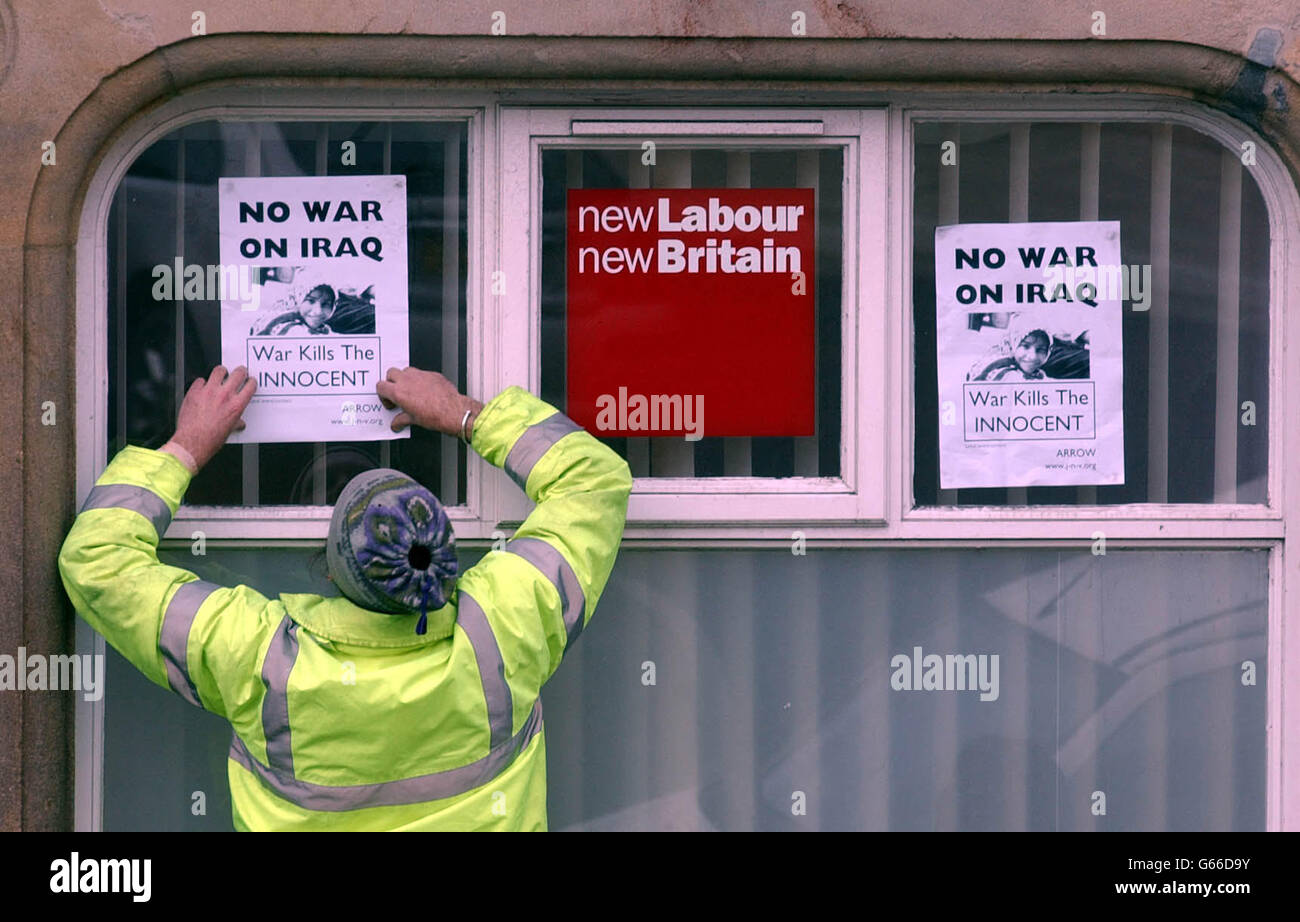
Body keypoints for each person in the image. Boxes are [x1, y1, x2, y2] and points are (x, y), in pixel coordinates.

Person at [58, 364, 634, 831]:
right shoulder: (507, 626)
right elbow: (591, 481)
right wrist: (463, 413)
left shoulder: (259, 658)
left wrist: (186, 447)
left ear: (330, 573)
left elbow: (98, 561)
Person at [256, 282, 337, 335]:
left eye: (326, 304)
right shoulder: (293, 330)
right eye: (311, 301)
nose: (318, 311)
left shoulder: (324, 330)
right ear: (298, 299)